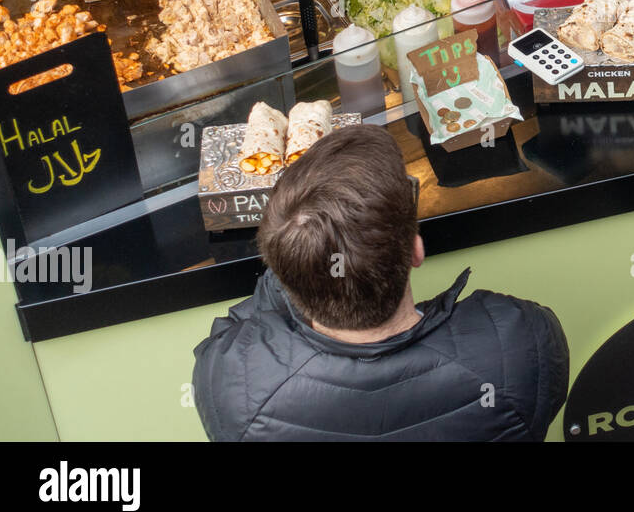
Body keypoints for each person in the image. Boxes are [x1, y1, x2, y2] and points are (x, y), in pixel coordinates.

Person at [191, 124, 569, 441]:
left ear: (286, 275)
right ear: (416, 252)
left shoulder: (232, 384)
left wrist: (302, 250)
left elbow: (251, 325)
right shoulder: (520, 344)